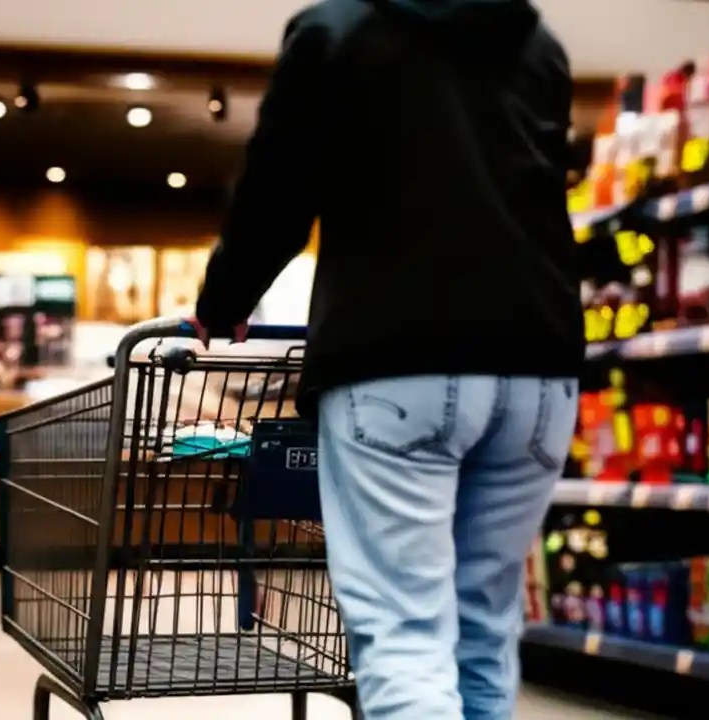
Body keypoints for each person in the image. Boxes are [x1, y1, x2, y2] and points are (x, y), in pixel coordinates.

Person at [191, 1, 583, 718]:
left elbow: (277, 187)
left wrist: (223, 301)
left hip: (398, 360)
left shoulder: (335, 32)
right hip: (540, 365)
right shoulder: (540, 45)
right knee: (484, 631)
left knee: (406, 633)